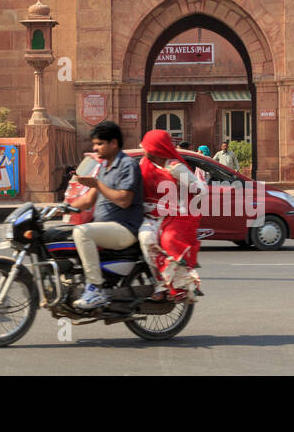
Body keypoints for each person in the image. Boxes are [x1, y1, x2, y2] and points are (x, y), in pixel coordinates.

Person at [68, 121, 143, 310]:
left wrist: (97, 184)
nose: (95, 148)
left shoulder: (128, 165)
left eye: (100, 143)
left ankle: (95, 289)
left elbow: (124, 200)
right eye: (94, 143)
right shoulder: (104, 167)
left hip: (124, 228)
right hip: (106, 228)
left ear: (114, 143)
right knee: (64, 235)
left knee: (82, 232)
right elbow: (88, 200)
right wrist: (62, 208)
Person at [139, 129, 204, 302]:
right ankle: (161, 281)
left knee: (168, 241)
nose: (144, 151)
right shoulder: (144, 164)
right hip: (149, 214)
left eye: (147, 148)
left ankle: (172, 286)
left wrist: (182, 206)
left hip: (174, 216)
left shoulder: (175, 167)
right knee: (145, 238)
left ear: (157, 149)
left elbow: (200, 190)